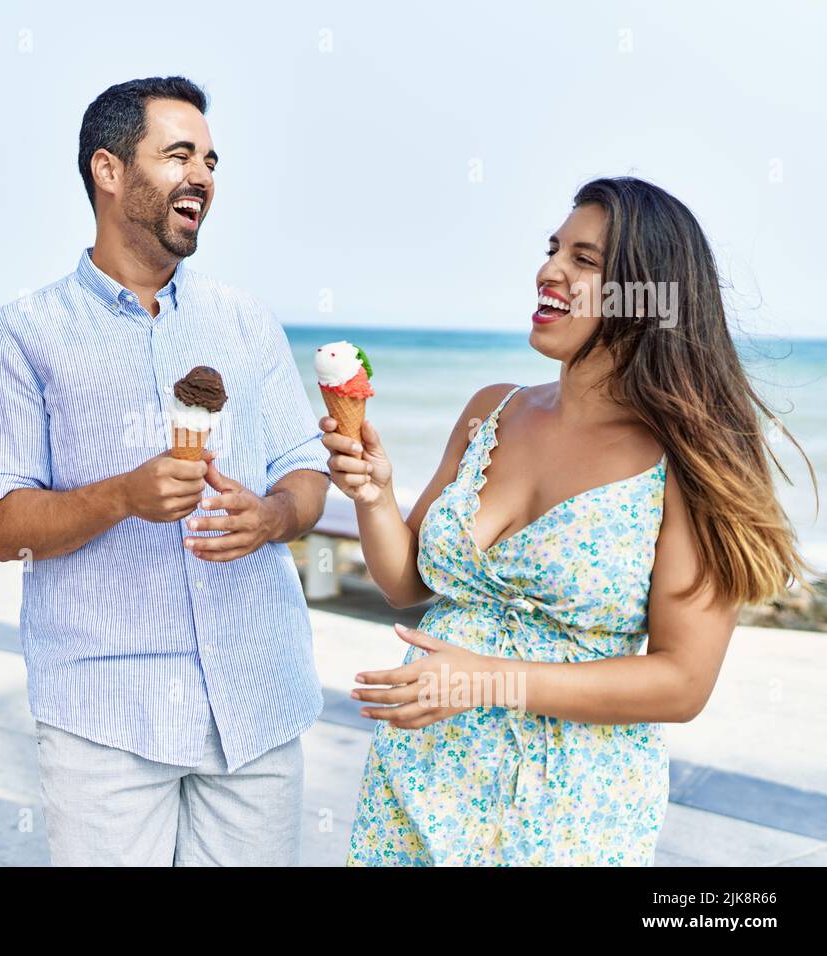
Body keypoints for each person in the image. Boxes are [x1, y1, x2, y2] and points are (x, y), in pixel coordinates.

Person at [331, 176, 817, 866]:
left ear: (644, 295)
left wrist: (485, 680)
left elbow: (683, 682)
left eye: (585, 261)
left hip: (568, 811)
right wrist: (374, 494)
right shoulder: (491, 411)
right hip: (419, 780)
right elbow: (405, 584)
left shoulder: (686, 459)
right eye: (554, 248)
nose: (549, 269)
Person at [0, 76, 330, 866]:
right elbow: (1, 525)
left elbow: (304, 468)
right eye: (178, 155)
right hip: (107, 714)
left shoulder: (245, 321)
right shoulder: (20, 335)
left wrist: (273, 517)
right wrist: (122, 495)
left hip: (257, 698)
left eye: (211, 159)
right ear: (110, 170)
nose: (203, 176)